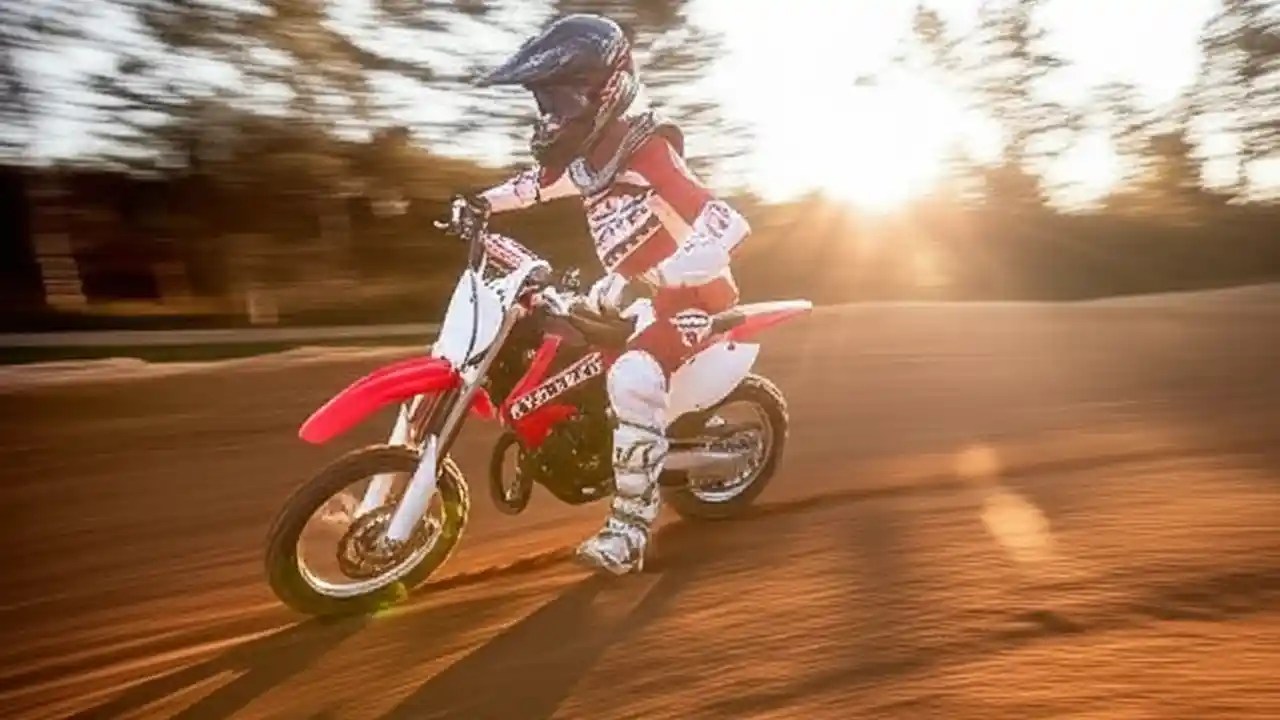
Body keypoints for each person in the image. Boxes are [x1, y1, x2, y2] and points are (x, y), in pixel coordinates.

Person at [469, 13, 751, 575]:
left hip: (692, 300)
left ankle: (629, 529)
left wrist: (680, 267)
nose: (551, 117)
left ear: (604, 92)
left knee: (633, 376)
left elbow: (726, 221)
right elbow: (535, 187)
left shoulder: (647, 149)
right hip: (633, 296)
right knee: (554, 330)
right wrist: (479, 203)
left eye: (561, 102)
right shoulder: (590, 161)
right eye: (545, 103)